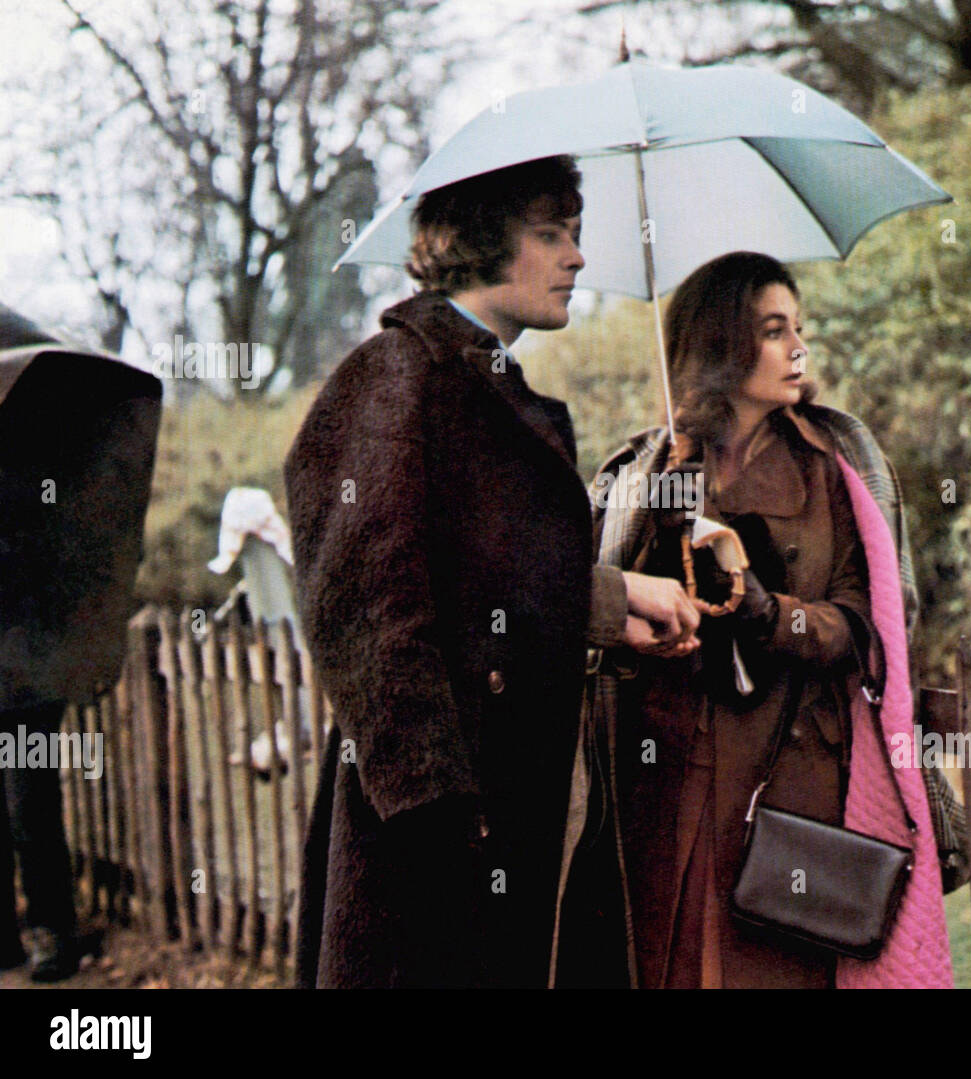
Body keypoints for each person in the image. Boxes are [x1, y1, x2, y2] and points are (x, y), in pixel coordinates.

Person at [286, 155, 699, 989]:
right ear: (478, 241)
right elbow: (362, 605)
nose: (577, 258)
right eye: (551, 235)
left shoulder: (490, 383)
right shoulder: (397, 374)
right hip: (429, 828)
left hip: (505, 806)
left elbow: (490, 578)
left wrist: (614, 598)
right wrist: (438, 811)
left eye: (576, 236)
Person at [591, 252, 953, 988]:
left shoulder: (831, 463)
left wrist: (762, 606)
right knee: (676, 964)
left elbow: (863, 626)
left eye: (799, 328)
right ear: (721, 344)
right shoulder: (656, 467)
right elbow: (611, 612)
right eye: (772, 330)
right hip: (671, 773)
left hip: (791, 777)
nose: (798, 348)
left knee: (774, 967)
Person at [0, 302, 162, 981]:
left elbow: (71, 538)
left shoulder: (42, 444)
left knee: (29, 792)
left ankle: (52, 930)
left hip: (30, 644)